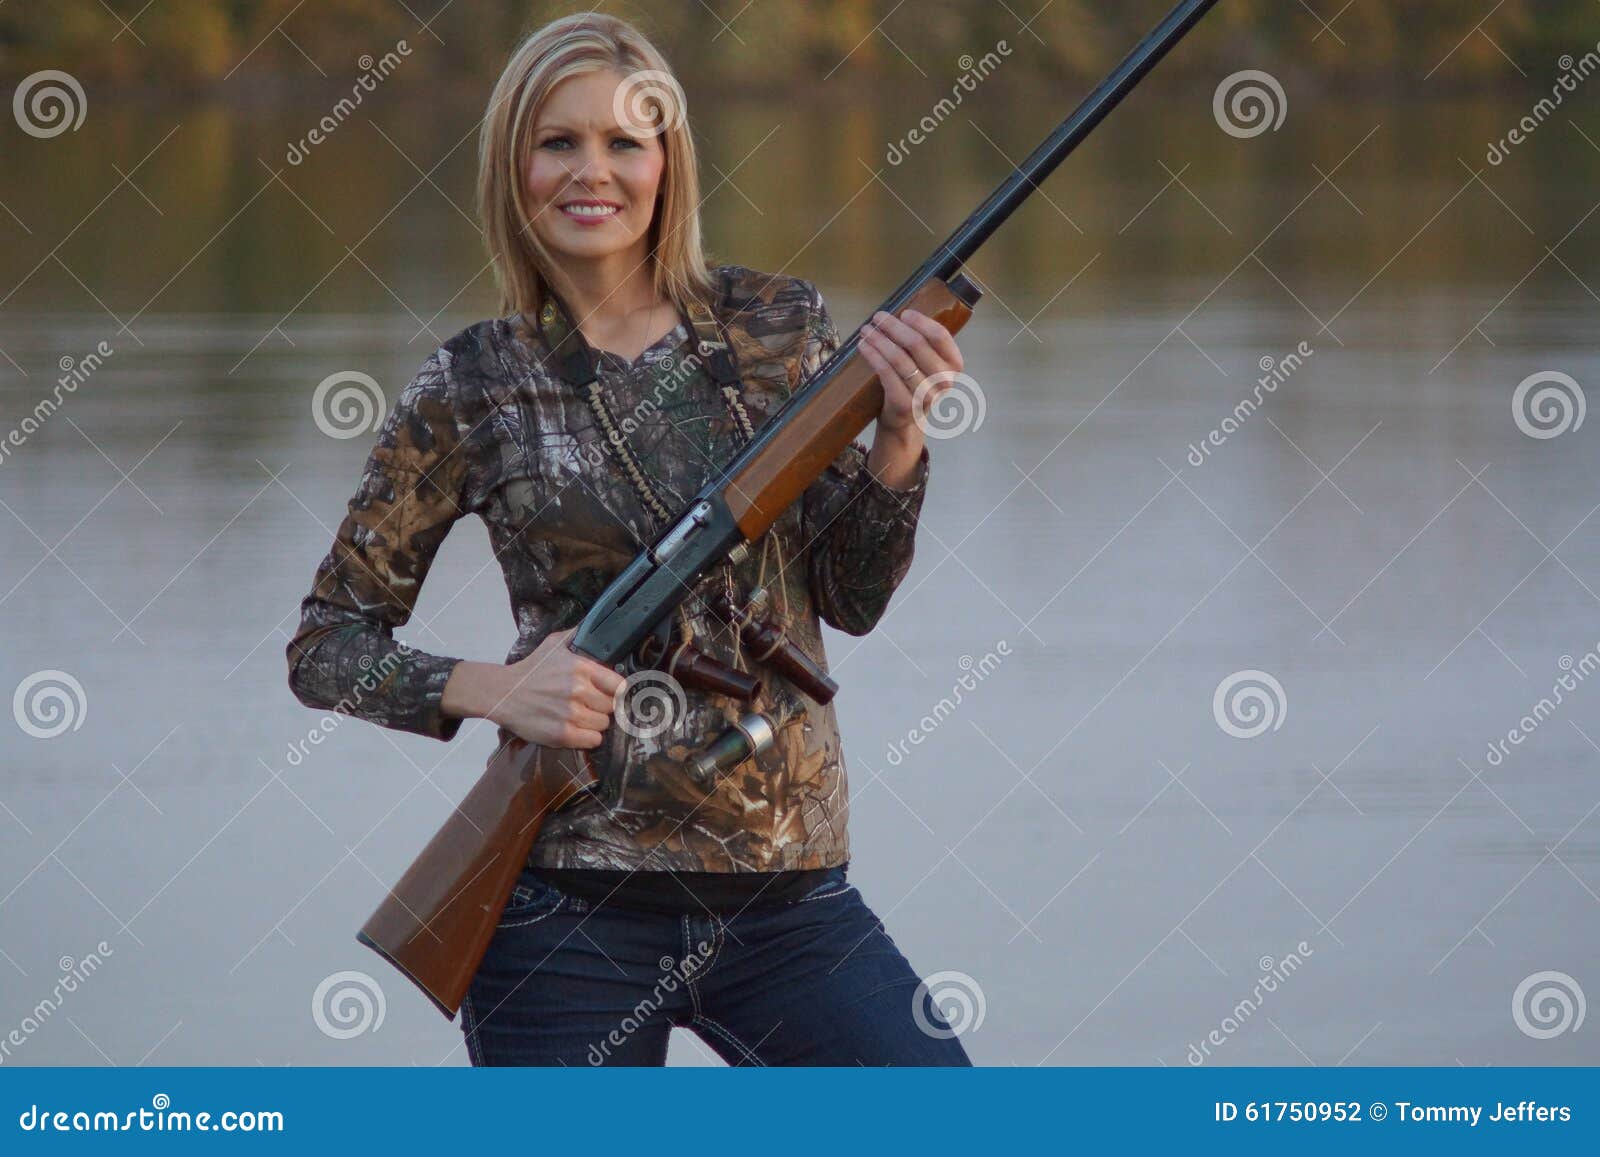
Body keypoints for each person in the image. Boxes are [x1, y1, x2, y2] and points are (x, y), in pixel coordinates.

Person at [286, 10, 972, 1067]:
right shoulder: (469, 382)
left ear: (668, 163)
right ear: (513, 164)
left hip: (787, 901)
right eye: (558, 141)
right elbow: (326, 646)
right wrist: (494, 687)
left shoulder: (778, 328)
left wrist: (897, 438)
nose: (589, 171)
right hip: (563, 916)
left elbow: (852, 596)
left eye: (623, 141)